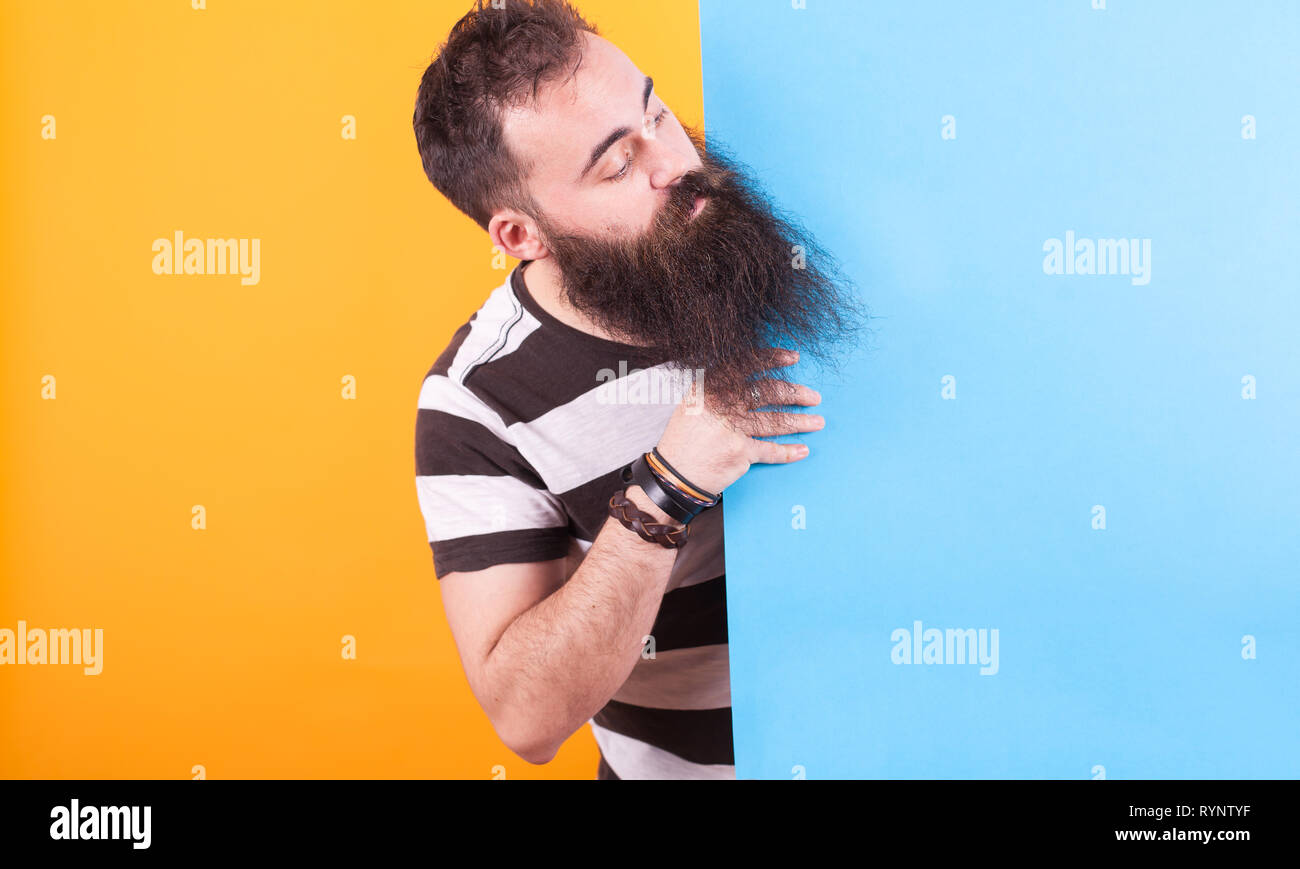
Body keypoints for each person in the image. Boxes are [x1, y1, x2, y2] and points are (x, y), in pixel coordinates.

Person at [411, 0, 865, 779]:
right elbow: (525, 718)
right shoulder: (478, 405)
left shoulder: (763, 212)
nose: (674, 162)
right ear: (522, 234)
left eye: (655, 109)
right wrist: (665, 490)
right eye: (618, 164)